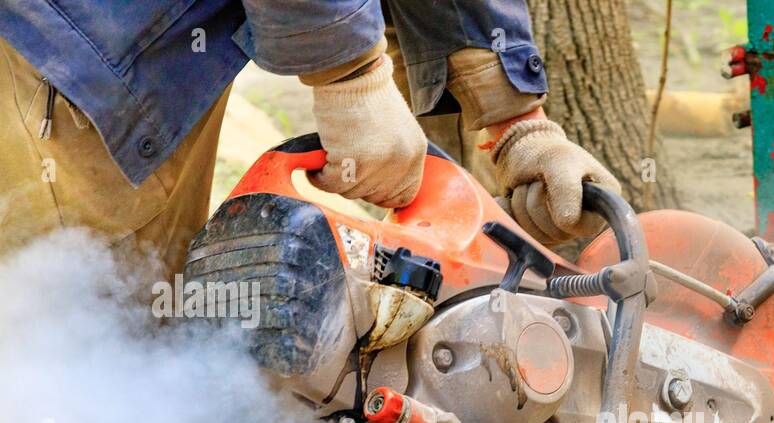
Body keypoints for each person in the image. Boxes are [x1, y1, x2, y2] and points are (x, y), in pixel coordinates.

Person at [0, 0, 620, 278]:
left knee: (137, 339)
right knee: (60, 359)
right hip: (54, 46)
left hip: (154, 57)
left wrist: (514, 121)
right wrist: (347, 73)